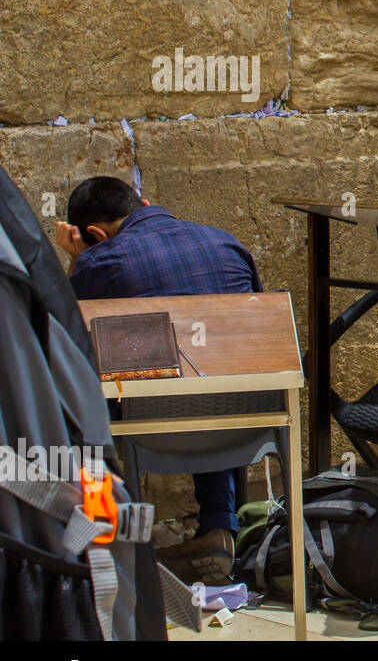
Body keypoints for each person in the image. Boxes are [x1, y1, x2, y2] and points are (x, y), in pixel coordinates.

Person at [54, 176, 262, 584]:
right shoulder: (226, 242)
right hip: (246, 419)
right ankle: (218, 528)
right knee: (206, 377)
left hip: (152, 428)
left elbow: (67, 338)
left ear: (94, 233)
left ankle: (104, 539)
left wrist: (78, 260)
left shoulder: (99, 262)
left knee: (76, 400)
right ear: (143, 203)